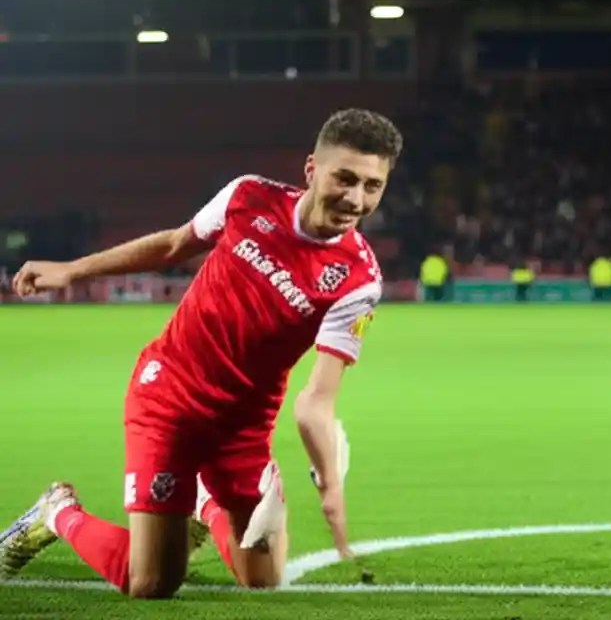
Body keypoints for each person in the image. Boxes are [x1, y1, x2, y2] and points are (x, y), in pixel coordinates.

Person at [0, 109, 402, 598]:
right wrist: (73, 270)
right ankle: (56, 511)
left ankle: (206, 503)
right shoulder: (248, 197)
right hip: (169, 398)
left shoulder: (359, 280)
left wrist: (331, 485)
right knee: (150, 582)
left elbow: (317, 398)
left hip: (243, 427)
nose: (356, 198)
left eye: (372, 186)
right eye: (345, 178)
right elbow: (174, 244)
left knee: (262, 580)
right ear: (312, 169)